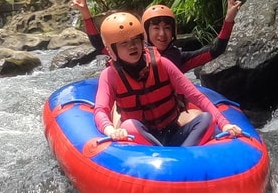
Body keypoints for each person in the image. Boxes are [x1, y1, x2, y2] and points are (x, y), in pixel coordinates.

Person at [94, 12, 242, 147]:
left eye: (135, 40)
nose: (132, 46)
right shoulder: (110, 75)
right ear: (111, 50)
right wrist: (110, 129)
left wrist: (224, 124)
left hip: (172, 132)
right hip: (142, 138)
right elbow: (101, 109)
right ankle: (171, 159)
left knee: (206, 119)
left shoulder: (162, 64)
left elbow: (195, 95)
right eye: (124, 43)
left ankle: (181, 158)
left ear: (142, 41)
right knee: (129, 126)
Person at [71, 0, 242, 73]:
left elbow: (215, 50)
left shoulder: (180, 58)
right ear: (145, 31)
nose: (162, 34)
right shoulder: (132, 51)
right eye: (156, 28)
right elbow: (98, 44)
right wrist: (86, 14)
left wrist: (228, 20)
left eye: (167, 28)